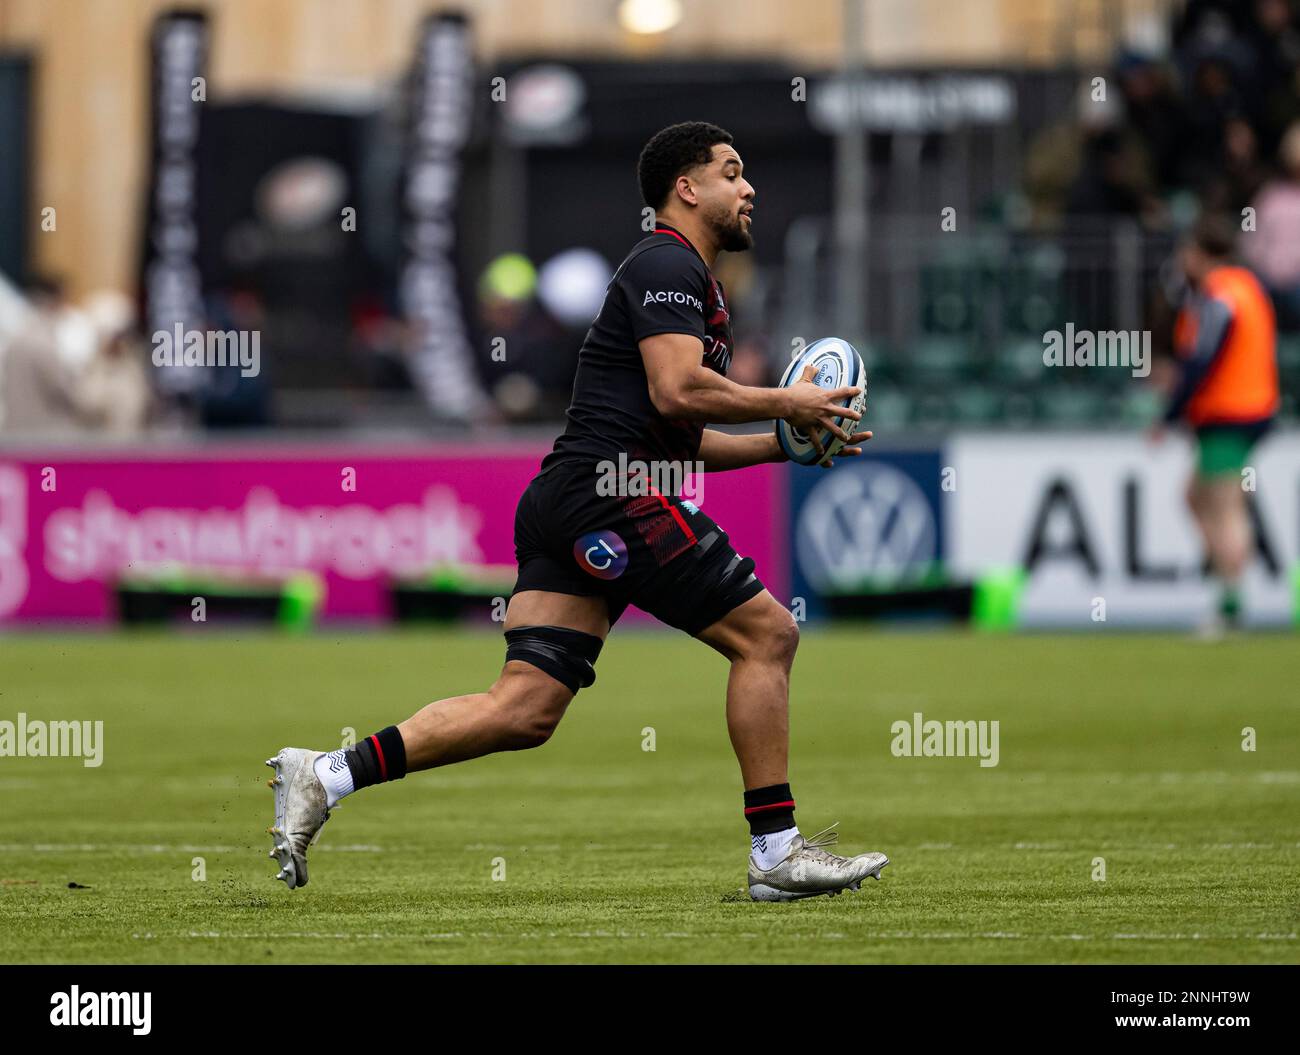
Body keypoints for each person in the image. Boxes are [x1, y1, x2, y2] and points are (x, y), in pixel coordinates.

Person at [263, 121, 888, 901]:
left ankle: (324, 774)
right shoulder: (667, 261)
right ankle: (777, 852)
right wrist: (789, 399)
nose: (749, 188)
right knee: (769, 633)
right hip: (612, 494)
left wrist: (780, 441)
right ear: (687, 189)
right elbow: (676, 390)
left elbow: (678, 433)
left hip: (578, 493)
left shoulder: (690, 281)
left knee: (523, 709)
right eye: (733, 173)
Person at [1152, 215, 1280, 634]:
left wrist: (1169, 414)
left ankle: (1230, 606)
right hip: (1244, 409)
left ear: (1200, 254)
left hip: (1231, 413)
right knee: (1195, 497)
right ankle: (1223, 564)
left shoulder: (1221, 296)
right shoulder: (1248, 288)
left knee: (1226, 507)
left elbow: (1201, 360)